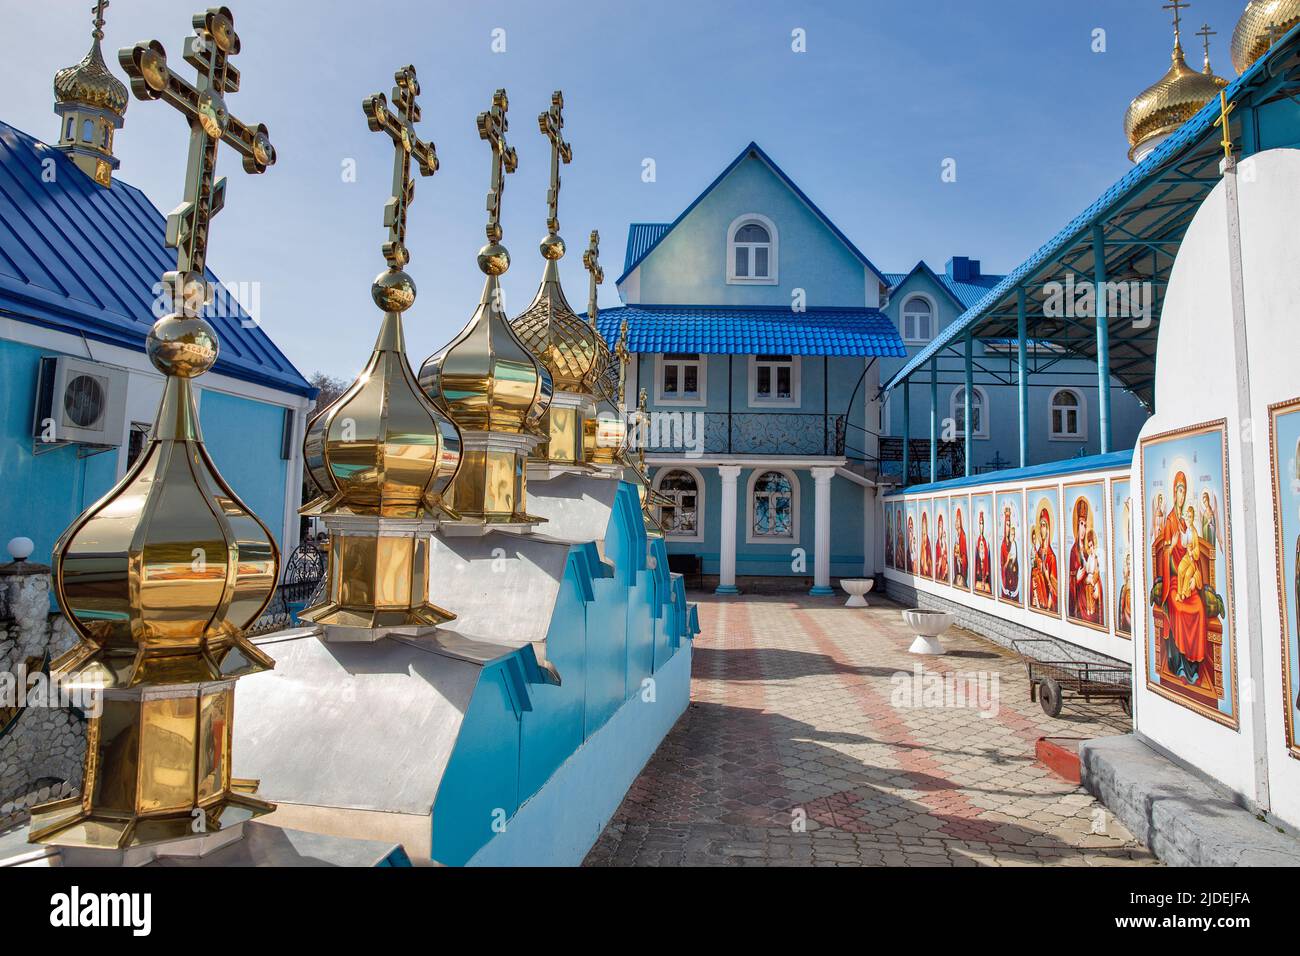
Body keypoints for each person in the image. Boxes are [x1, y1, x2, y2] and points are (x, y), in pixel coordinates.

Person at [974, 509, 992, 593]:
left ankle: (984, 582)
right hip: (980, 560)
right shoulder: (978, 540)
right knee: (980, 571)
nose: (981, 526)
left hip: (983, 560)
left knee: (984, 571)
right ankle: (981, 582)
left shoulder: (984, 540)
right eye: (980, 523)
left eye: (982, 523)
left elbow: (986, 551)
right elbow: (977, 553)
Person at [952, 507, 969, 588]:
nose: (956, 522)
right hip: (958, 565)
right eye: (956, 520)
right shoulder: (957, 535)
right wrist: (955, 554)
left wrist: (960, 558)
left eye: (957, 520)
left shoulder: (962, 535)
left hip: (961, 567)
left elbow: (964, 555)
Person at [934, 513, 949, 582]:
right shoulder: (937, 543)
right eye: (939, 527)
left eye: (942, 527)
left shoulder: (944, 542)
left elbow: (946, 556)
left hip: (944, 570)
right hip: (939, 571)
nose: (941, 529)